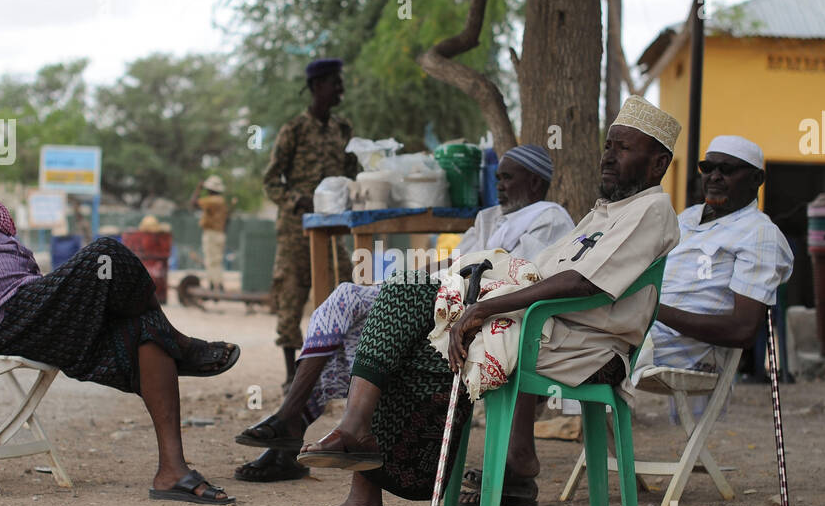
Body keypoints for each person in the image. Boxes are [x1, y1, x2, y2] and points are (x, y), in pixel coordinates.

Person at [288, 96, 682, 506]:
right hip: (539, 326)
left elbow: (582, 283)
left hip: (581, 344)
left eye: (623, 148)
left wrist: (487, 306)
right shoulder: (601, 213)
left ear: (657, 163)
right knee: (404, 294)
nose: (608, 156)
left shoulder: (653, 211)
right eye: (608, 145)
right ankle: (357, 455)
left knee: (412, 320)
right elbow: (540, 270)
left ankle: (362, 492)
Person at [0, 106, 240, 504]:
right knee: (106, 256)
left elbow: (26, 268)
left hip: (34, 309)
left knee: (146, 334)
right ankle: (184, 346)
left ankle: (172, 470)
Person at [233, 144, 575, 482]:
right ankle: (289, 433)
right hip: (437, 290)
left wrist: (427, 281)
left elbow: (517, 273)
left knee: (347, 298)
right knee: (351, 324)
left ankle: (290, 421)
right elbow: (454, 260)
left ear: (534, 182)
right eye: (498, 177)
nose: (499, 184)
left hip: (465, 304)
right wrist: (411, 276)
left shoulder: (549, 216)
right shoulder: (489, 217)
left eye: (508, 178)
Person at [648, 135, 794, 372]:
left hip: (677, 349)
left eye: (727, 169)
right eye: (707, 168)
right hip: (639, 327)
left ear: (756, 179)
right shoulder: (687, 217)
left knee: (585, 342)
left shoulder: (760, 233)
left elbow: (743, 330)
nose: (714, 176)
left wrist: (653, 310)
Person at [263, 58, 359, 387]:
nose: (341, 89)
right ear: (318, 86)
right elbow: (271, 180)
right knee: (291, 294)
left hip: (332, 229)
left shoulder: (343, 130)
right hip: (296, 230)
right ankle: (292, 377)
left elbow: (352, 172)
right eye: (336, 83)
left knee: (346, 289)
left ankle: (342, 369)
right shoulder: (294, 130)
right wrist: (297, 201)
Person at [192, 174, 232, 292]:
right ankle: (217, 284)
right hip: (220, 233)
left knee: (210, 260)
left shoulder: (212, 201)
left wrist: (198, 188)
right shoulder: (222, 201)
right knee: (217, 261)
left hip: (211, 234)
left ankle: (214, 286)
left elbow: (193, 203)